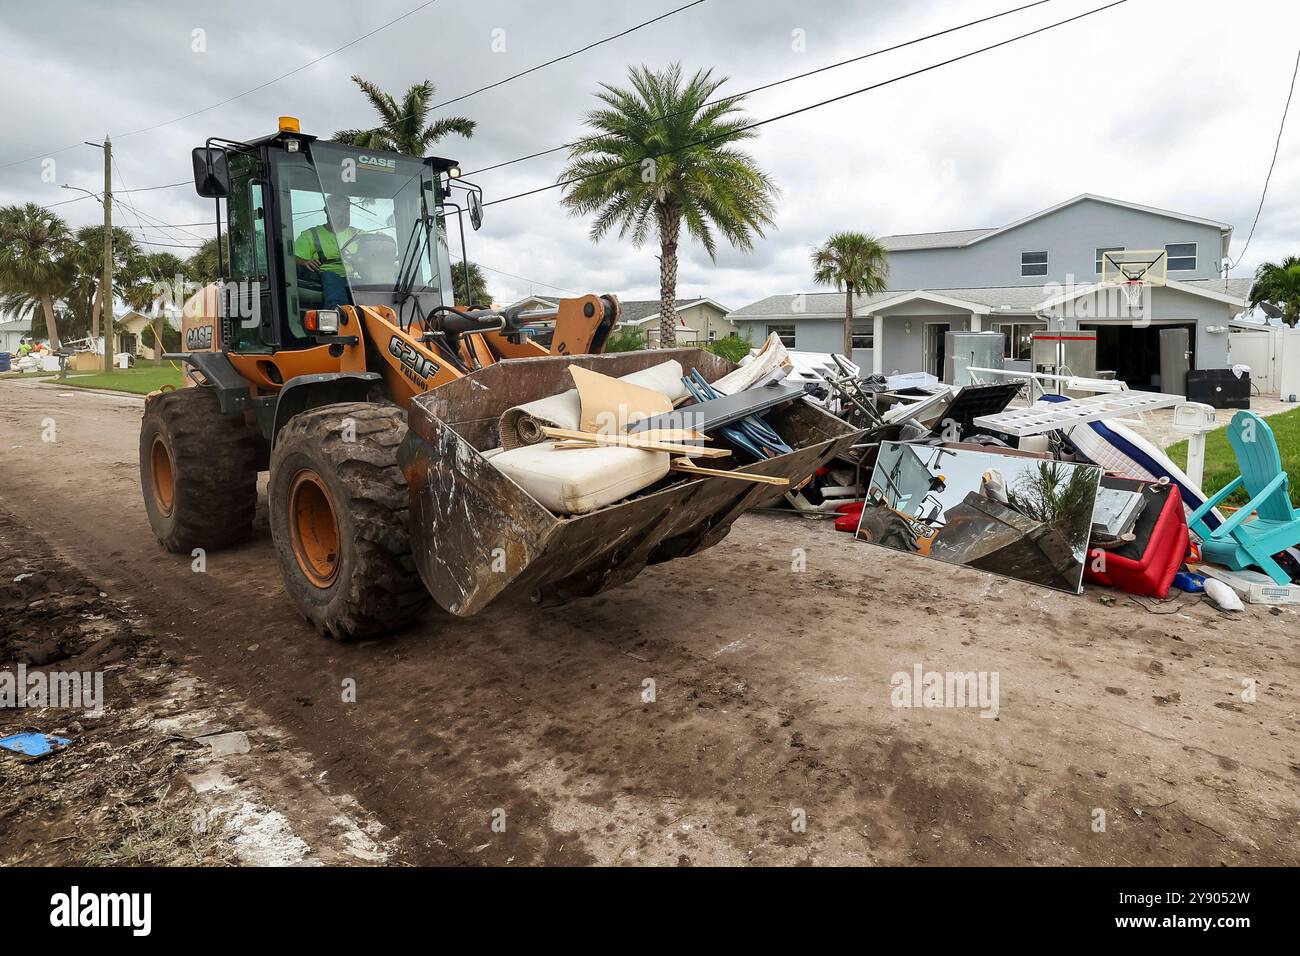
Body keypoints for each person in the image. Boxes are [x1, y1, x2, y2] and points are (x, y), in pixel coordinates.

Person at [294, 194, 358, 309]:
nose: (344, 214)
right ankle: (339, 313)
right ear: (327, 211)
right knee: (331, 277)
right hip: (328, 276)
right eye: (339, 209)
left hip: (355, 277)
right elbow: (290, 258)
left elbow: (377, 246)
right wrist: (305, 262)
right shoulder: (310, 235)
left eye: (346, 209)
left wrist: (382, 239)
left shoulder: (358, 234)